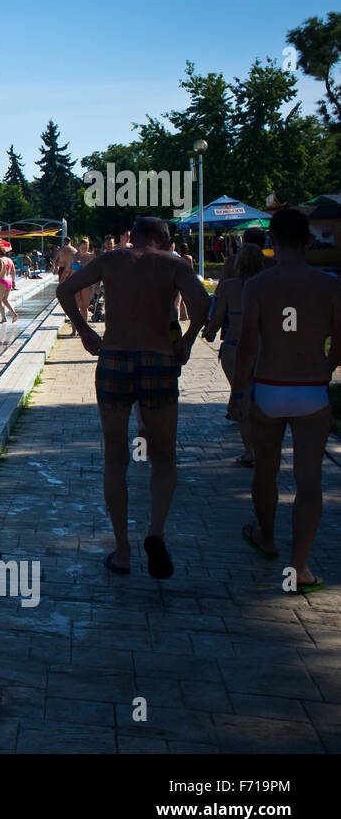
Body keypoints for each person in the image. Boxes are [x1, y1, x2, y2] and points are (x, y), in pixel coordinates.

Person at [57, 216, 210, 579]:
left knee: (115, 458)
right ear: (163, 240)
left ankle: (123, 551)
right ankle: (155, 533)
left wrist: (84, 332)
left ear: (135, 237)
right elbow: (203, 304)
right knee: (163, 458)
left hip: (115, 360)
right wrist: (187, 342)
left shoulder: (110, 260)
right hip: (158, 361)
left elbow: (64, 290)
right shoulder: (173, 264)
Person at [232, 208, 338, 593]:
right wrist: (325, 368)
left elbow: (246, 347)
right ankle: (301, 567)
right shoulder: (330, 286)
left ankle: (266, 536)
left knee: (266, 469)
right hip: (312, 388)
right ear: (308, 241)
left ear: (272, 242)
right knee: (309, 480)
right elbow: (339, 343)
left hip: (268, 386)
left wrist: (238, 393)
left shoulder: (258, 286)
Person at [203, 244, 264, 466]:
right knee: (258, 397)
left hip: (234, 346)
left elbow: (218, 319)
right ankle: (261, 447)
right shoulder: (268, 285)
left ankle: (250, 451)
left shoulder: (229, 287)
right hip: (263, 346)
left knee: (241, 394)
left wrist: (208, 333)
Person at [0, 248, 17, 323]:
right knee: (5, 300)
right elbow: (13, 271)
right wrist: (13, 281)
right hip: (9, 281)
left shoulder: (0, 260)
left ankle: (4, 318)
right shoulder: (10, 260)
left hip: (2, 281)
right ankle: (14, 314)